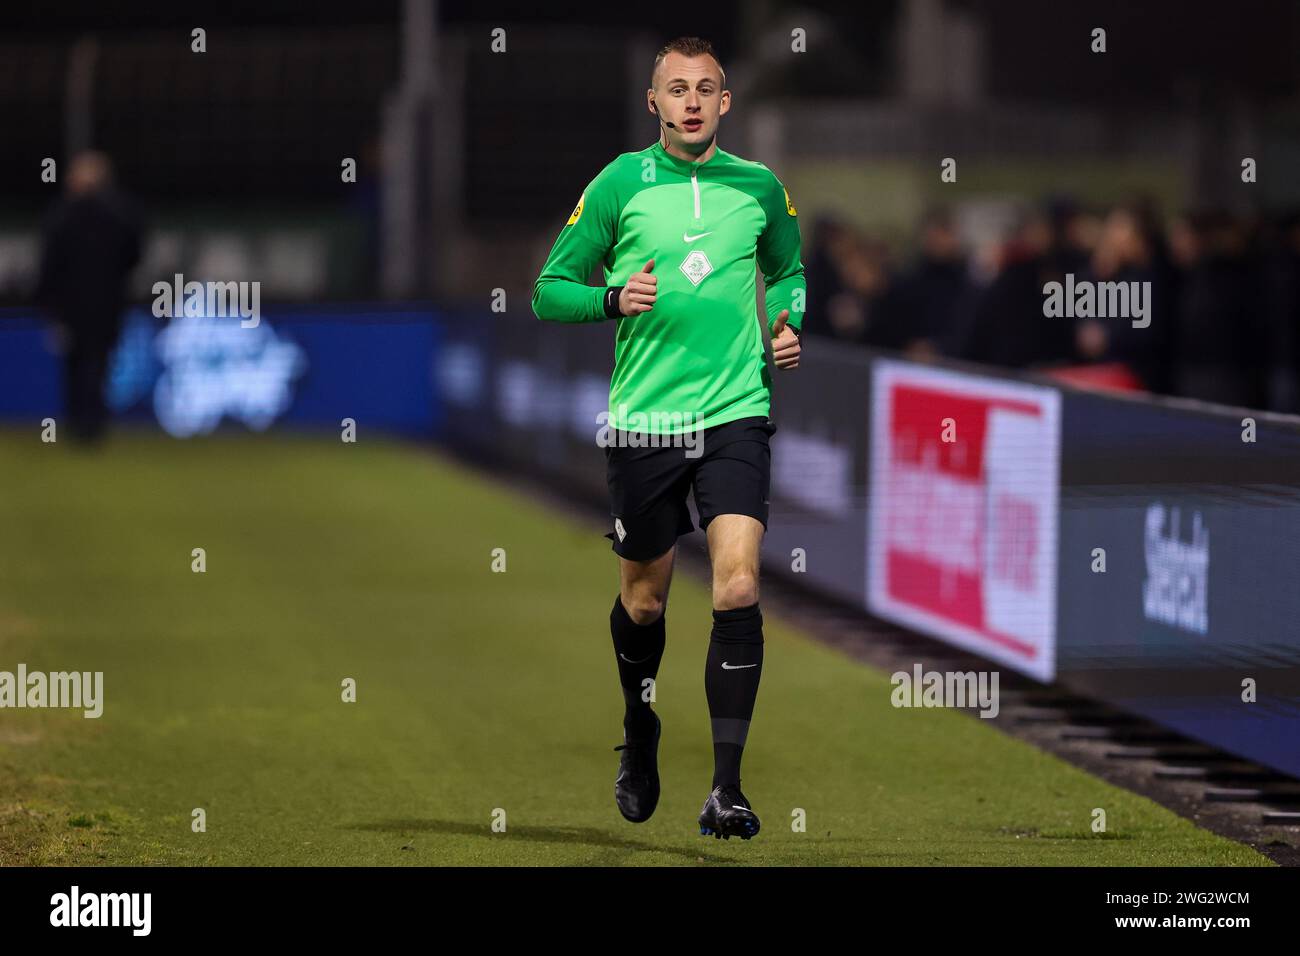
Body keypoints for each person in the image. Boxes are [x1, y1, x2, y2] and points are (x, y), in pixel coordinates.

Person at [531, 36, 805, 840]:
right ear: (654, 102)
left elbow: (787, 269)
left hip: (734, 413)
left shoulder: (759, 188)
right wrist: (613, 299)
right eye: (677, 88)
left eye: (707, 88)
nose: (692, 101)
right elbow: (550, 291)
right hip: (647, 421)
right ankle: (640, 728)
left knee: (738, 586)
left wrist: (788, 322)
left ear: (726, 102)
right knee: (644, 601)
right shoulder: (621, 183)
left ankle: (727, 788)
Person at [36, 151, 143, 443]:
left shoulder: (63, 214)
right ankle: (92, 426)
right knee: (96, 365)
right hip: (107, 304)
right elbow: (135, 255)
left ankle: (80, 425)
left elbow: (49, 263)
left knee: (78, 365)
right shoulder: (123, 213)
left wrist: (47, 302)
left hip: (73, 306)